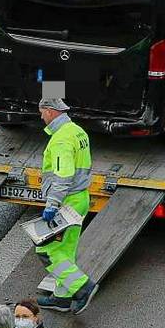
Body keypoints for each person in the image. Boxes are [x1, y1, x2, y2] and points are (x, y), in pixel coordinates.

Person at [35, 98, 98, 313]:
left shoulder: (61, 140)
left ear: (51, 112)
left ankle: (82, 288)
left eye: (42, 113)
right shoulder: (77, 131)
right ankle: (62, 297)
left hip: (66, 202)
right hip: (80, 198)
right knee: (66, 249)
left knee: (46, 250)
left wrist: (52, 204)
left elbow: (64, 176)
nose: (41, 117)